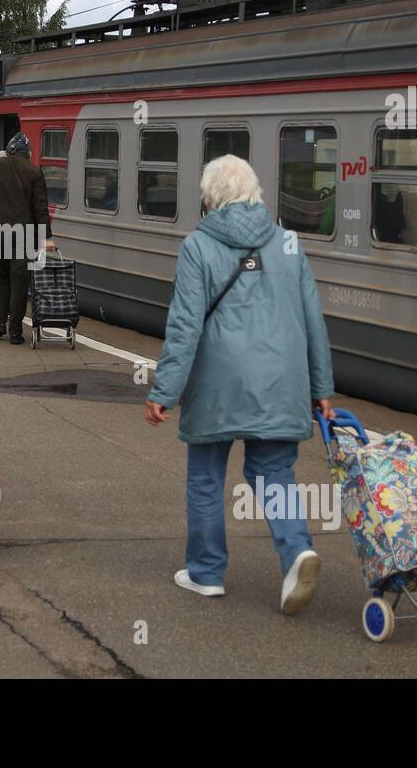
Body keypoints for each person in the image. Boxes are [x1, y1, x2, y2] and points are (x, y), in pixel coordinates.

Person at [144, 155, 336, 615]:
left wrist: (163, 391)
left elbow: (185, 326)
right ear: (255, 195)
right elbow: (313, 320)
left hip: (218, 383)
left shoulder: (197, 246)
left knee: (207, 477)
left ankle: (207, 574)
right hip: (280, 381)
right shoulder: (289, 243)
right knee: (274, 474)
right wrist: (321, 387)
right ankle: (295, 554)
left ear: (209, 199)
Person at [0, 131, 55, 344]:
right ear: (27, 153)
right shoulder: (34, 172)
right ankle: (15, 331)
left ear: (8, 150)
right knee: (19, 280)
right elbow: (40, 209)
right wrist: (47, 238)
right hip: (24, 234)